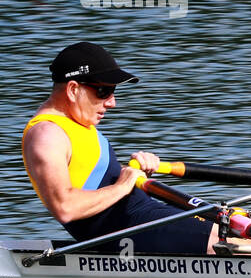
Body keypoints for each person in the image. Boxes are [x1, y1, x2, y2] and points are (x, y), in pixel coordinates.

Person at [22, 42, 218, 254]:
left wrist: (135, 170)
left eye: (113, 91)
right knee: (244, 245)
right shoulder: (46, 135)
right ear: (73, 89)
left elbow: (93, 177)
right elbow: (65, 207)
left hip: (148, 217)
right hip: (129, 231)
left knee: (236, 227)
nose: (112, 102)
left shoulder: (75, 124)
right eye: (103, 91)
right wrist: (122, 186)